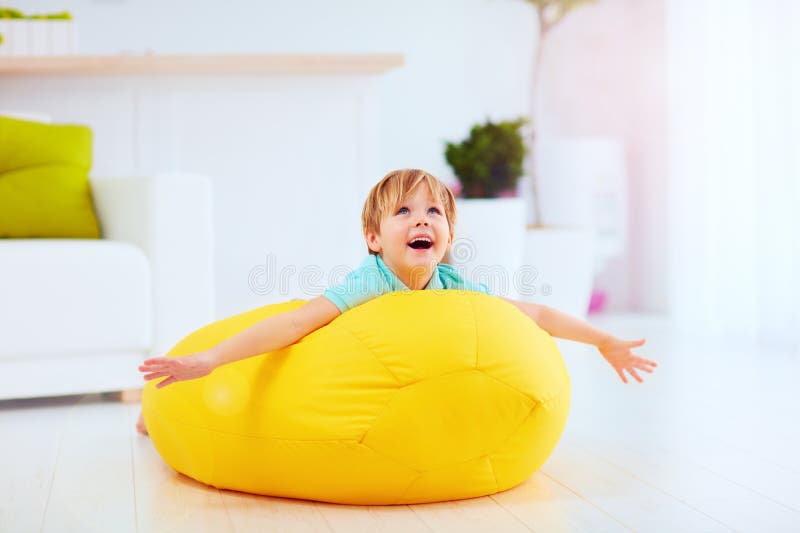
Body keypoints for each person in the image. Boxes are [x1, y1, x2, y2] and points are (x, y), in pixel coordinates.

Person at [136, 168, 658, 435]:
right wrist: (208, 359)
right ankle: (156, 410)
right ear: (373, 237)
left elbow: (534, 315)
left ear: (449, 236)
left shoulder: (453, 287)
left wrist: (603, 340)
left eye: (434, 212)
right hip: (302, 348)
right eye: (404, 211)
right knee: (195, 393)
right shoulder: (370, 283)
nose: (422, 220)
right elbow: (295, 324)